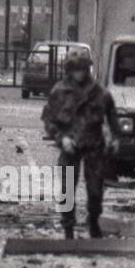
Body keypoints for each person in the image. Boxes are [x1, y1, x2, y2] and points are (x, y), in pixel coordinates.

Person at [41, 50, 116, 239]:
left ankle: (93, 221)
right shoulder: (59, 91)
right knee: (67, 190)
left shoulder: (101, 93)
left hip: (94, 146)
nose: (79, 73)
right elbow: (49, 121)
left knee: (95, 190)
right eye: (75, 69)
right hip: (69, 144)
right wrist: (61, 138)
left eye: (82, 69)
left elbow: (113, 121)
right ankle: (68, 227)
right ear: (69, 70)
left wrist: (113, 138)